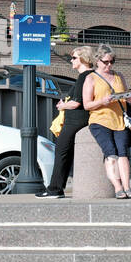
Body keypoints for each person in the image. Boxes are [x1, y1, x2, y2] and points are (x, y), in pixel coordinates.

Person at [36, 46, 95, 198]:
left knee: (61, 152)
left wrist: (62, 105)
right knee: (65, 153)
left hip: (75, 120)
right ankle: (57, 188)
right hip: (78, 119)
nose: (71, 60)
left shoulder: (84, 76)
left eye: (74, 58)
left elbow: (77, 103)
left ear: (83, 59)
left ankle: (55, 189)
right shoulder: (90, 75)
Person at [83, 44, 131, 198]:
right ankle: (117, 187)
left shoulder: (119, 76)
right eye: (105, 62)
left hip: (120, 120)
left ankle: (127, 187)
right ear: (97, 61)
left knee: (123, 154)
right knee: (111, 154)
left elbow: (128, 97)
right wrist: (102, 101)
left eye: (112, 61)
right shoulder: (91, 78)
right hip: (100, 120)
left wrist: (130, 98)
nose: (109, 65)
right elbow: (87, 105)